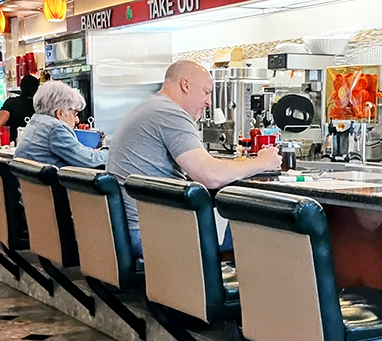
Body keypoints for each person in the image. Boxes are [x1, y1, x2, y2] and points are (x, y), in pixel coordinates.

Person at [106, 60, 281, 258]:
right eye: (206, 92)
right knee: (263, 228)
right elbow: (209, 176)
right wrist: (263, 161)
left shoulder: (149, 107)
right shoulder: (170, 113)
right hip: (149, 233)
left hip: (131, 229)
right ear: (185, 85)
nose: (208, 102)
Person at [14, 81, 108, 169]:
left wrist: (92, 152)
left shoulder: (36, 122)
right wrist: (110, 152)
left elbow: (81, 155)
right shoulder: (55, 128)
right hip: (54, 185)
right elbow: (90, 160)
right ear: (60, 113)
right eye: (74, 113)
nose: (77, 120)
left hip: (30, 185)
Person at [0, 74, 40, 144]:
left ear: (21, 87)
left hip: (15, 144)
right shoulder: (41, 105)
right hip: (37, 144)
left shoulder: (11, 103)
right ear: (37, 88)